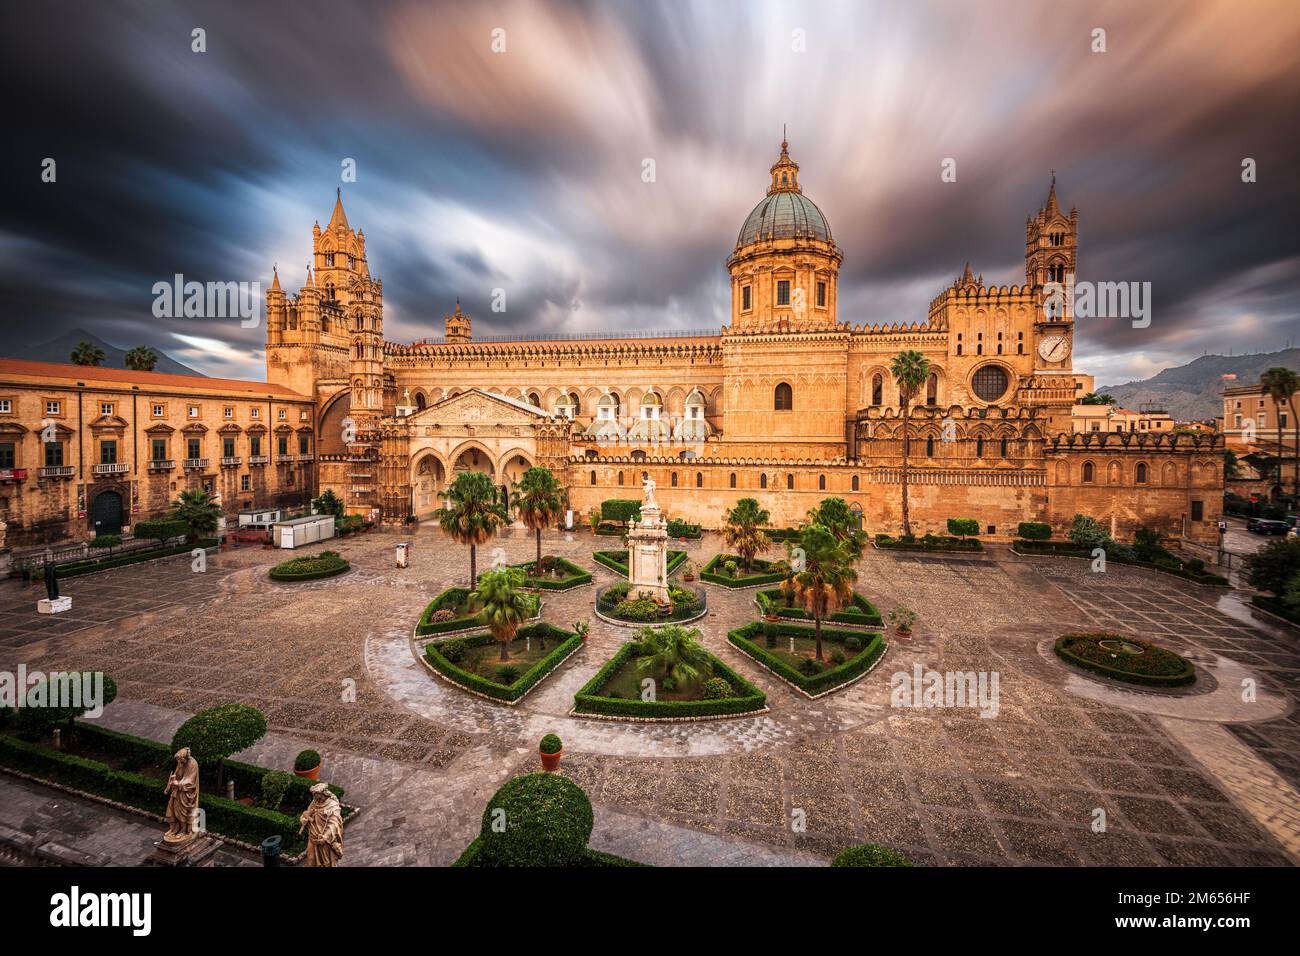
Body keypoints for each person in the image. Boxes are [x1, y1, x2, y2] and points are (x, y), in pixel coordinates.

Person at [299, 782, 344, 866]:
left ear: (322, 794)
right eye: (314, 796)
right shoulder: (315, 802)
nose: (315, 799)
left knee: (327, 862)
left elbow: (334, 823)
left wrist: (325, 837)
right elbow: (306, 813)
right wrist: (303, 819)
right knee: (311, 858)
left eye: (316, 795)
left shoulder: (333, 806)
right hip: (313, 837)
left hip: (325, 839)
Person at [163, 747, 200, 843]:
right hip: (177, 791)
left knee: (182, 812)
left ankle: (183, 830)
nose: (179, 762)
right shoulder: (181, 762)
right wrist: (171, 783)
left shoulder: (192, 764)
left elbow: (190, 780)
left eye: (181, 760)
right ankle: (174, 828)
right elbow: (177, 773)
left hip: (186, 792)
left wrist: (178, 784)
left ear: (185, 758)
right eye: (178, 761)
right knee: (172, 809)